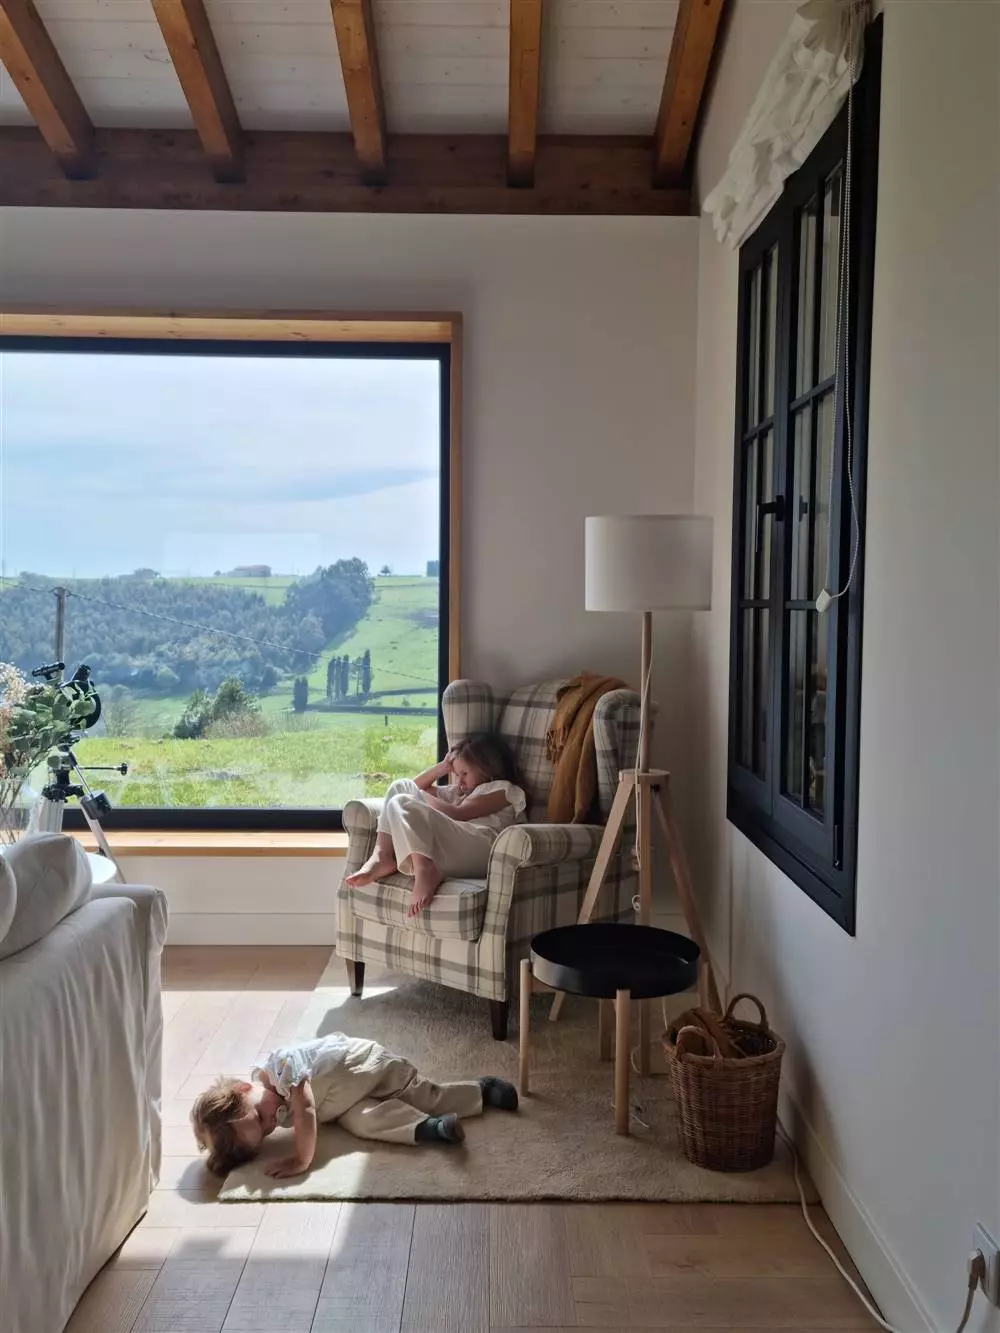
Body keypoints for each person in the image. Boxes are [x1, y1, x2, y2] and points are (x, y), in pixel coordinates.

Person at [190, 1034, 519, 1178]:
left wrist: (302, 1159)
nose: (271, 1123)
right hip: (345, 1103)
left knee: (427, 1096)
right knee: (366, 1124)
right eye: (265, 1132)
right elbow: (312, 1114)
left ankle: (482, 1091)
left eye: (260, 1116)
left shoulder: (280, 1068)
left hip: (367, 1066)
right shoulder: (267, 1108)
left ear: (244, 1088)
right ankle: (432, 1128)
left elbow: (305, 1107)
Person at [345, 732, 527, 916]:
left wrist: (417, 800)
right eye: (456, 774)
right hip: (454, 848)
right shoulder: (459, 792)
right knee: (400, 786)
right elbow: (413, 785)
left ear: (487, 768)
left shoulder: (505, 789)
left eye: (464, 773)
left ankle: (424, 869)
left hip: (483, 848)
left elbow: (459, 814)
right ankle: (383, 855)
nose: (459, 781)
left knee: (401, 801)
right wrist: (442, 768)